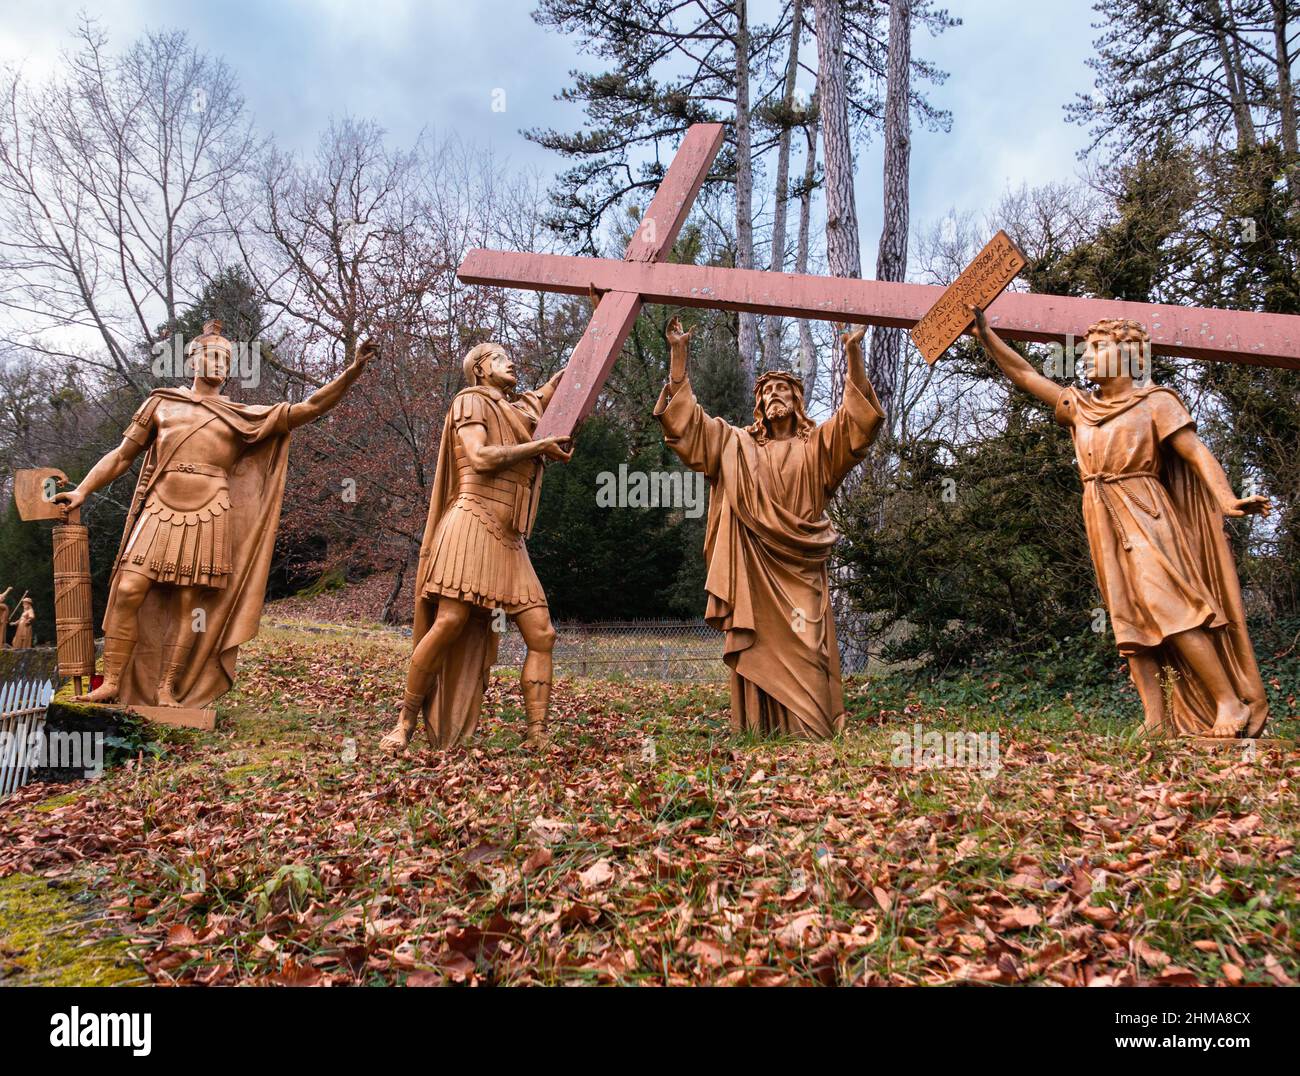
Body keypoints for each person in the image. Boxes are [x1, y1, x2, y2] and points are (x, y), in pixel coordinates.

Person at [968, 306, 1270, 737]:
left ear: (1131, 356)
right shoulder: (1080, 407)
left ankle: (1228, 702)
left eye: (1097, 348)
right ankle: (1156, 719)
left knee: (1171, 604)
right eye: (1086, 350)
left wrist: (1227, 499)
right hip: (1100, 512)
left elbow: (1195, 452)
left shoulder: (1156, 404)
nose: (1086, 357)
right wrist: (986, 336)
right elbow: (1026, 375)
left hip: (1145, 509)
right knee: (1127, 617)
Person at [55, 320, 373, 707]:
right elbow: (122, 455)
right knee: (128, 589)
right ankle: (113, 682)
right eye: (213, 355)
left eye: (227, 359)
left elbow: (308, 408)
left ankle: (168, 688)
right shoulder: (161, 403)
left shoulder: (241, 416)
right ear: (192, 361)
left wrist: (352, 371)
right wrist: (83, 491)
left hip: (210, 511)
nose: (221, 364)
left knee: (191, 605)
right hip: (159, 507)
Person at [656, 317, 885, 739]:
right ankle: (762, 729)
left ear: (797, 402)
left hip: (801, 569)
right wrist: (679, 357)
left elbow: (858, 425)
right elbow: (689, 428)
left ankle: (811, 728)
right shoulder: (735, 444)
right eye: (766, 392)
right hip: (754, 573)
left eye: (783, 391)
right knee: (759, 643)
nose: (774, 397)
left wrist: (853, 355)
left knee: (808, 647)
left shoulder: (817, 444)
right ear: (759, 405)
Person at [380, 343, 570, 753]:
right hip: (471, 521)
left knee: (542, 633)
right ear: (481, 369)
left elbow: (562, 382)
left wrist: (602, 321)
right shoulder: (470, 401)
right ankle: (404, 723)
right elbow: (480, 458)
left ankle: (536, 733)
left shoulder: (521, 411)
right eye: (501, 359)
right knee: (450, 620)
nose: (512, 362)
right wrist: (539, 447)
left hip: (509, 537)